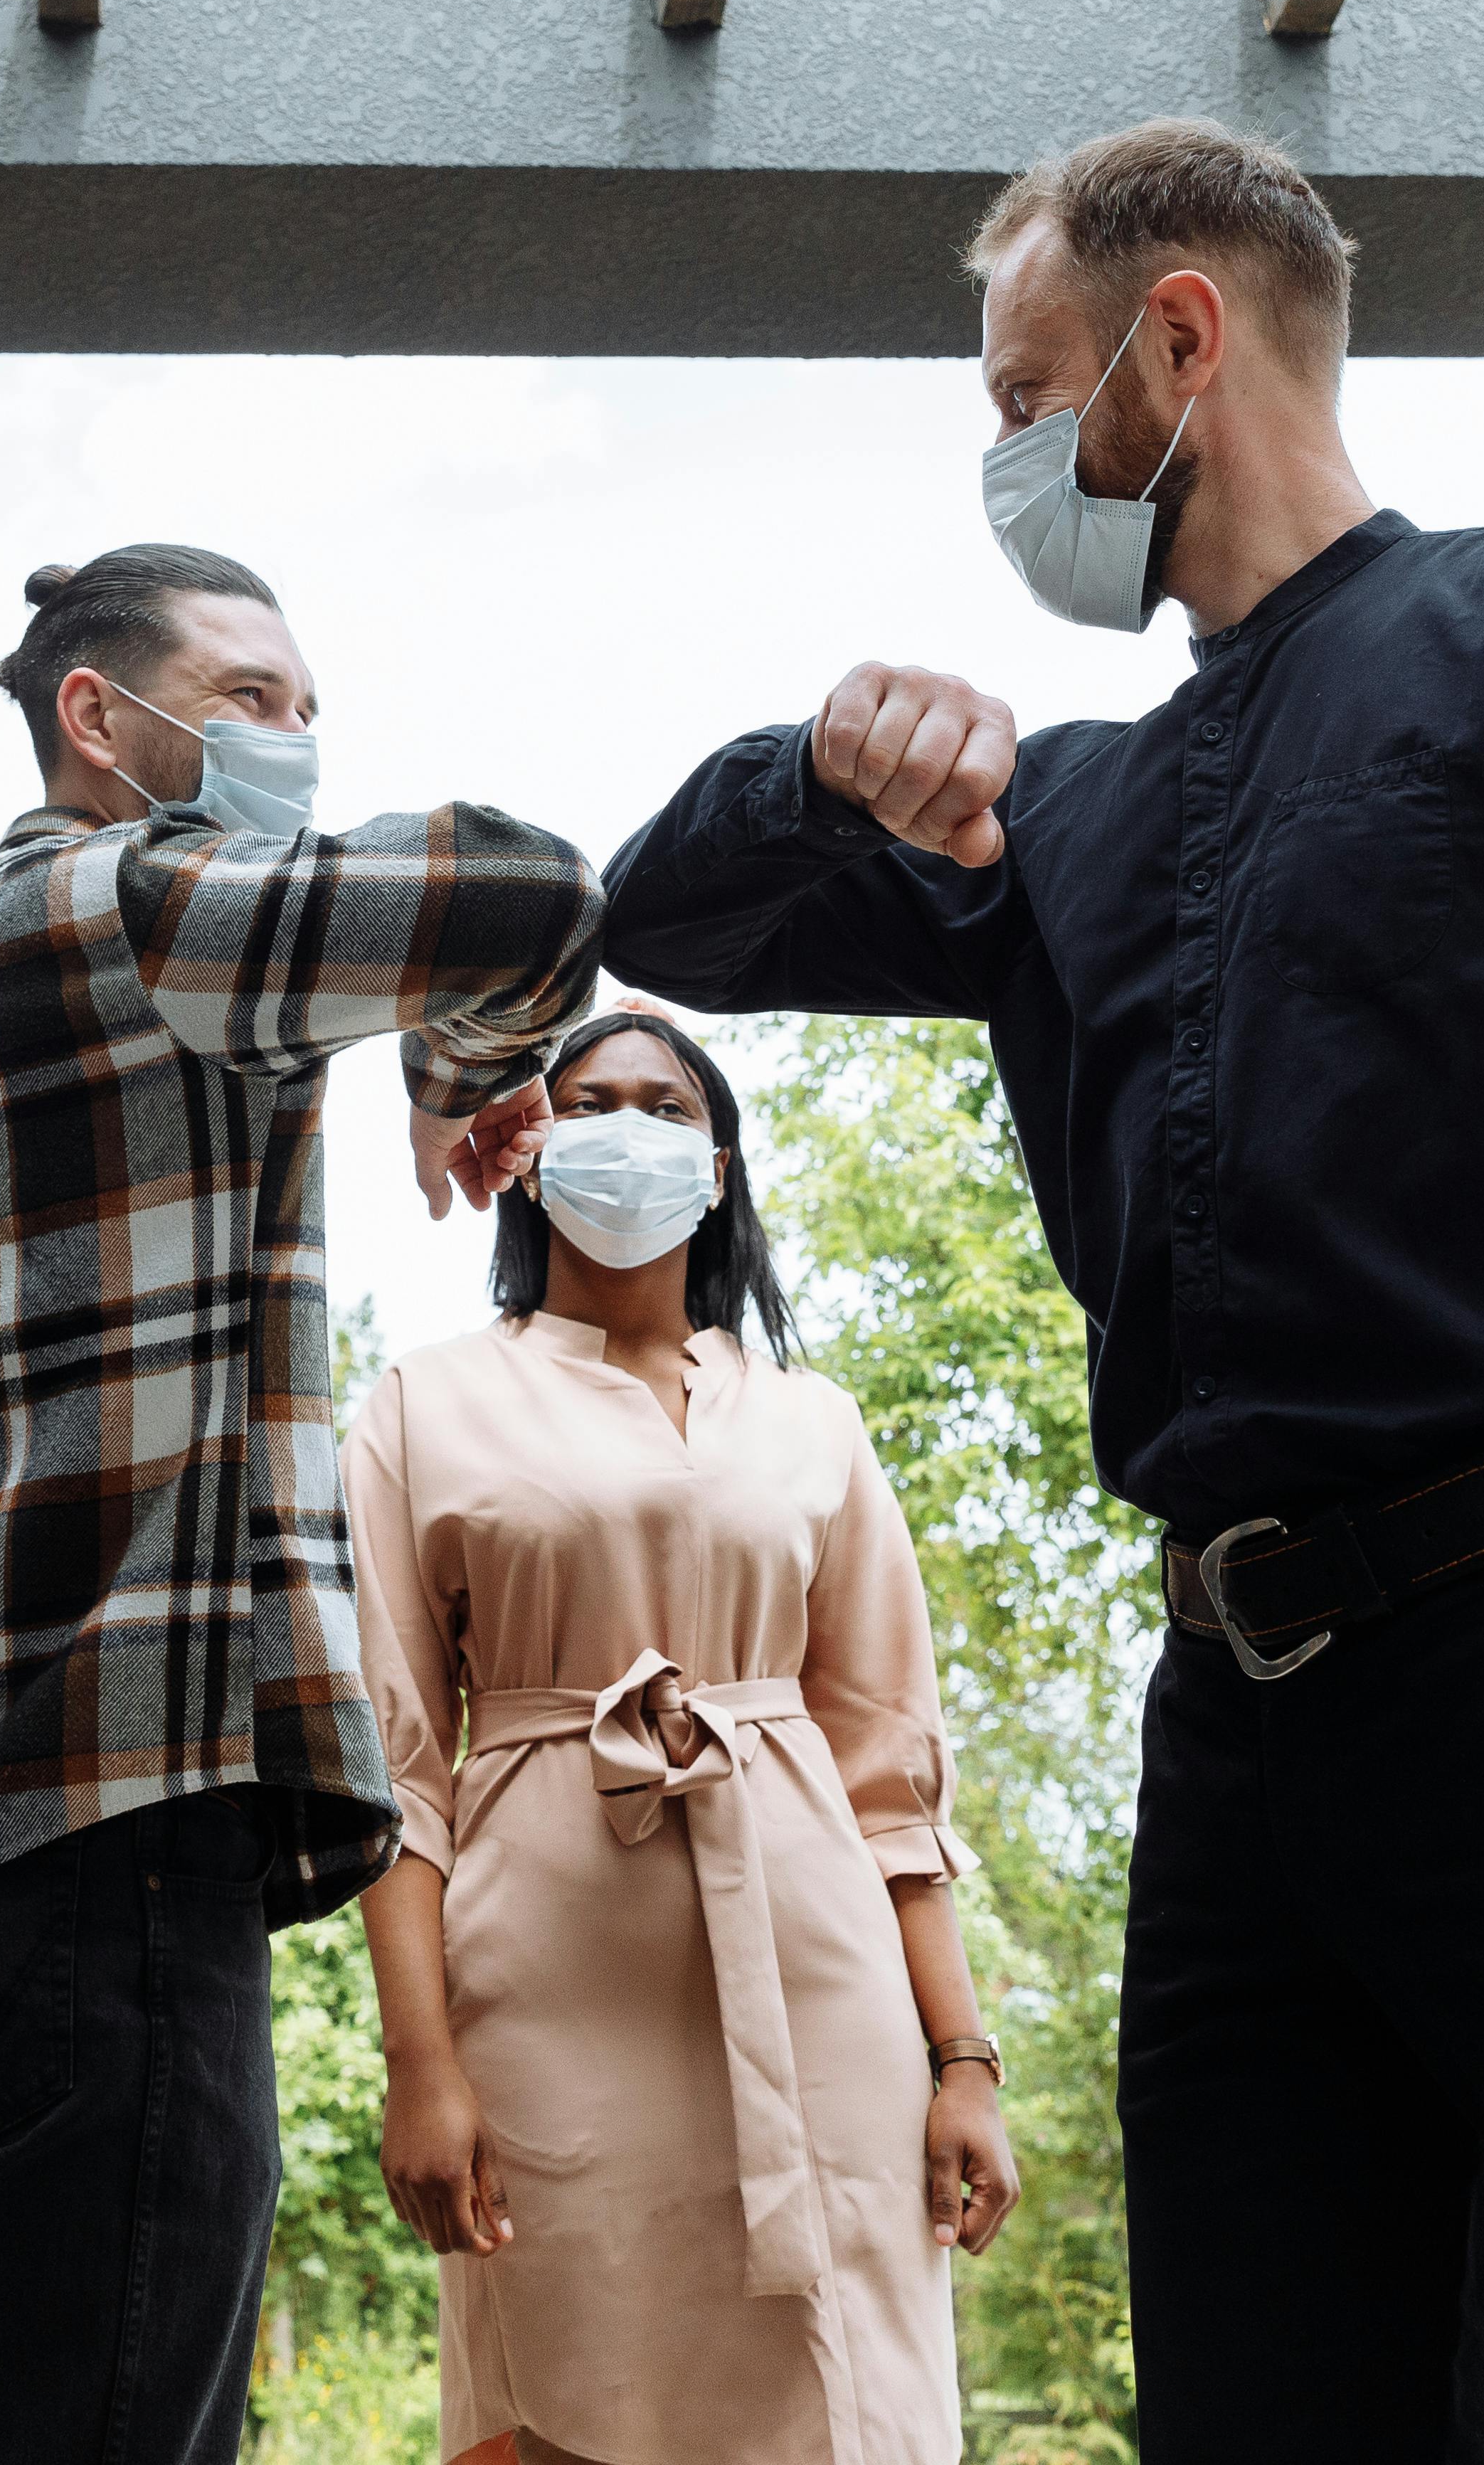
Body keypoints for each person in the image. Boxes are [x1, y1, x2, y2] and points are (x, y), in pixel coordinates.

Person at [599, 120, 1484, 2461]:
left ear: (1178, 337)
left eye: (1020, 394)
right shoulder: (1053, 814)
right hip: (1241, 1751)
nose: (998, 459)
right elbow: (667, 915)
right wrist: (829, 757)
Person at [0, 545, 606, 2465]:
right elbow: (536, 893)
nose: (296, 748)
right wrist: (454, 1056)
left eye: (313, 714)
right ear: (100, 716)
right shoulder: (133, 906)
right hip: (107, 1839)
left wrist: (425, 1047)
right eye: (249, 701)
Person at [348, 1004, 1015, 2465]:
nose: (626, 1131)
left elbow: (889, 1785)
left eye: (662, 1107)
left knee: (843, 2400)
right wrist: (421, 2061)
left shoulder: (812, 1422)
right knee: (569, 2393)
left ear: (715, 1168)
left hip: (822, 1994)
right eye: (588, 1101)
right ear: (522, 1148)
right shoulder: (424, 1404)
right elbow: (388, 1774)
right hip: (543, 2003)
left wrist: (959, 2059)